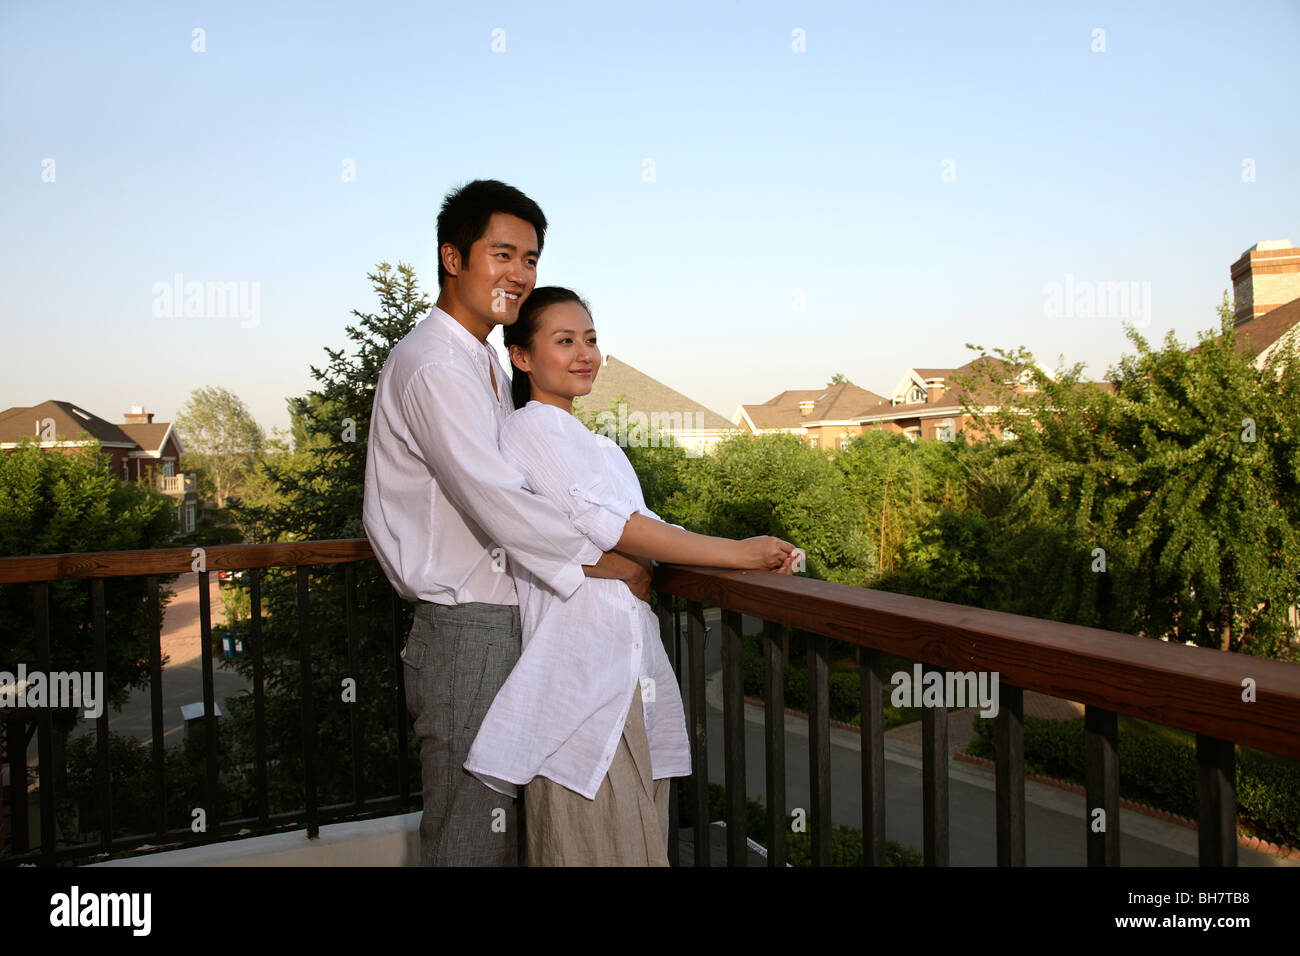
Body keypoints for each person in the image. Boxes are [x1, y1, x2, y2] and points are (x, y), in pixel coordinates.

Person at [363, 180, 656, 867]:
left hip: (504, 622)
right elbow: (495, 495)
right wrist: (603, 560)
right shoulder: (436, 364)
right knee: (470, 838)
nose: (520, 274)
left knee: (508, 837)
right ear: (453, 257)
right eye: (502, 254)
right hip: (468, 629)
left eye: (530, 258)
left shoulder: (483, 361)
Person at [464, 287, 797, 866]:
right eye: (564, 341)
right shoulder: (532, 429)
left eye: (590, 340)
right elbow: (615, 528)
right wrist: (739, 554)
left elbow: (647, 527)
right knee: (591, 840)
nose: (584, 353)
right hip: (579, 672)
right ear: (521, 356)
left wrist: (753, 553)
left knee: (635, 837)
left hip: (625, 666)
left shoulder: (600, 448)